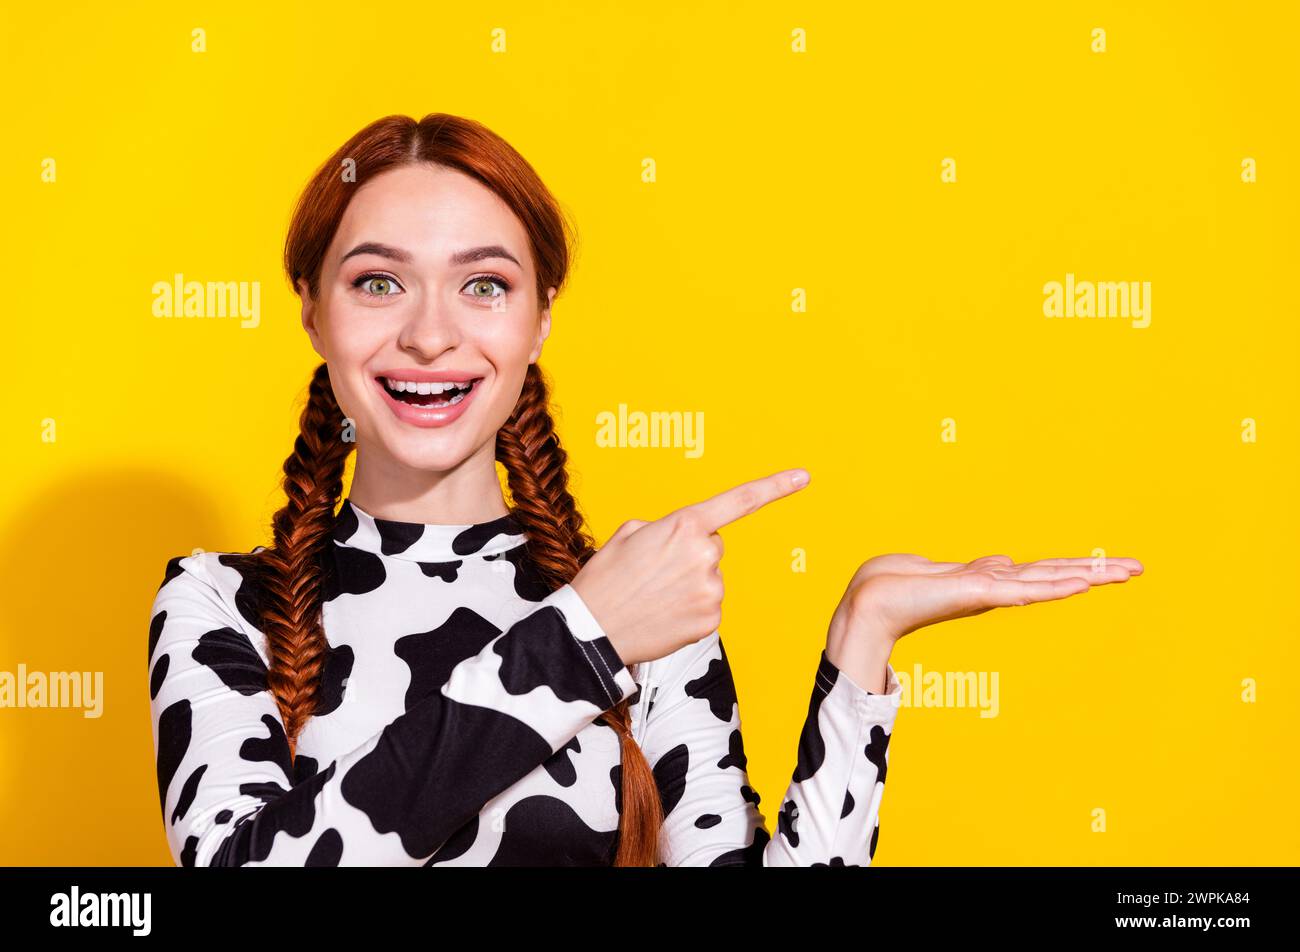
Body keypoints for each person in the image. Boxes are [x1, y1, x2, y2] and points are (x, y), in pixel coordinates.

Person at [147, 113, 1144, 866]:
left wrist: (862, 648)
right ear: (314, 315)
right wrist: (580, 637)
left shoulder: (641, 605)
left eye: (484, 283)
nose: (430, 333)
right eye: (377, 281)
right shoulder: (215, 605)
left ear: (539, 321)